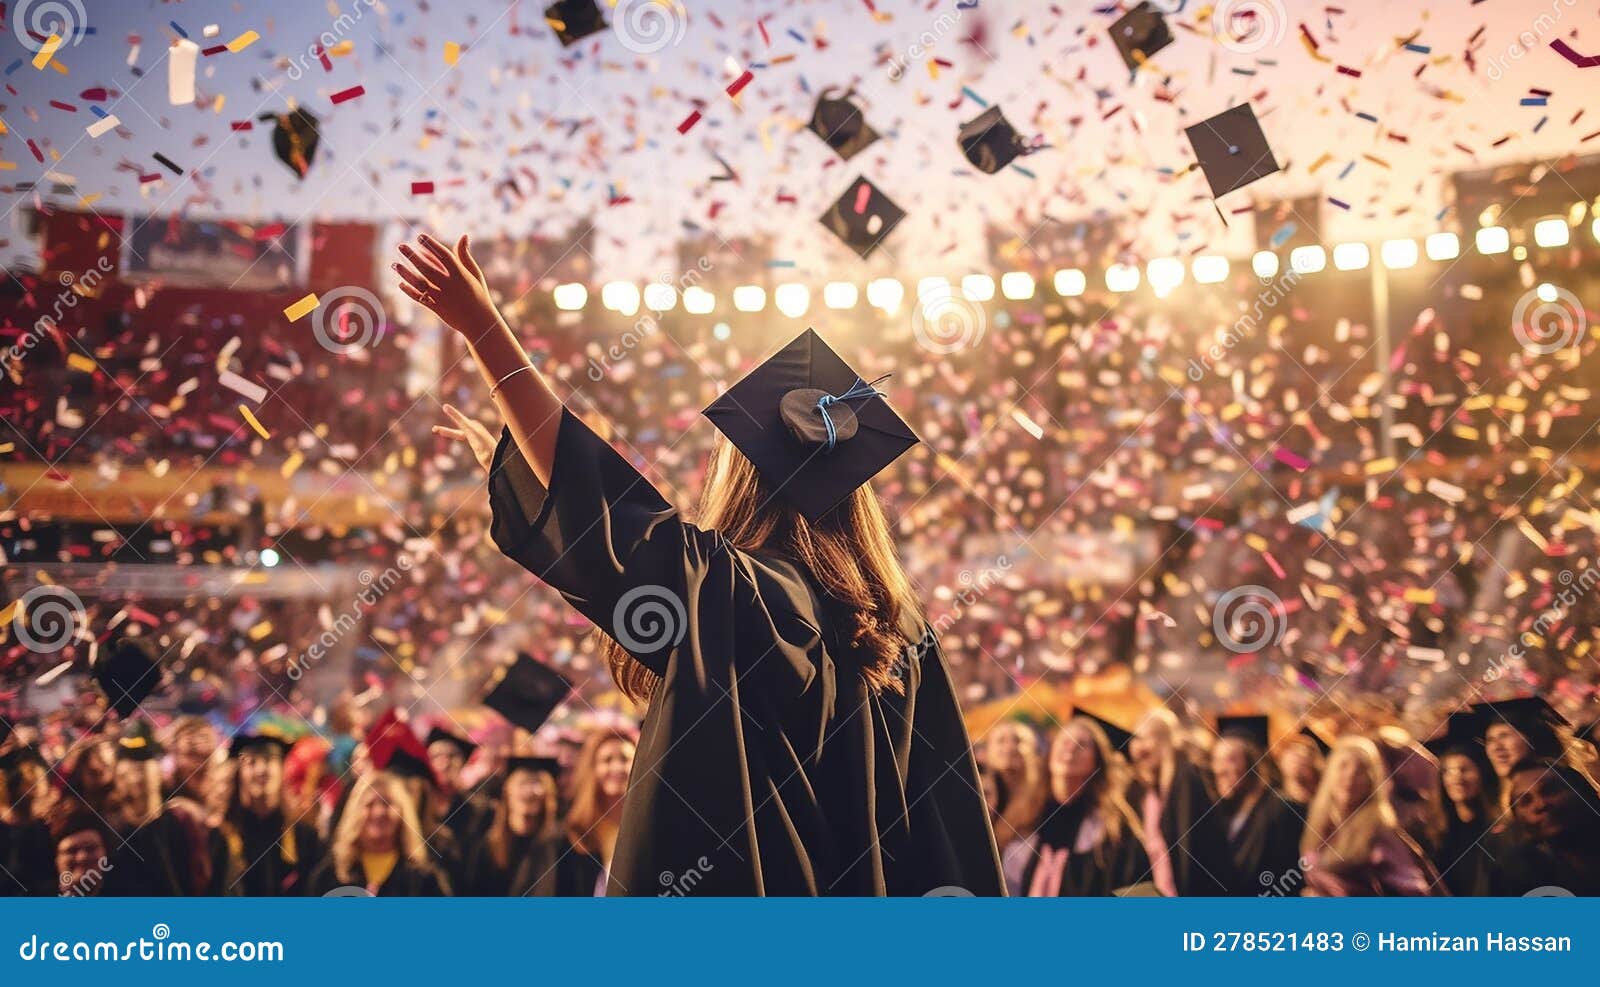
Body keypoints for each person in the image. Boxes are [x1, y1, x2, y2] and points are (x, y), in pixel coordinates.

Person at [398, 233, 1003, 896]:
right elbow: (951, 835)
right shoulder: (898, 628)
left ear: (740, 477)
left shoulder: (743, 592)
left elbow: (608, 514)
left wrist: (485, 329)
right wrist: (518, 465)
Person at [1020, 717, 1148, 896]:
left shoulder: (1113, 830)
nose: (1070, 748)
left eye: (1082, 744)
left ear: (1096, 761)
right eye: (1064, 741)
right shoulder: (1026, 818)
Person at [1299, 737, 1438, 896]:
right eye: (1343, 766)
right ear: (1330, 773)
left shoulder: (1379, 832)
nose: (1350, 775)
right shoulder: (1320, 823)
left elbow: (1414, 893)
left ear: (1372, 781)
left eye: (1361, 770)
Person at [1126, 708, 1232, 895]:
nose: (1138, 748)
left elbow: (1194, 852)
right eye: (1135, 739)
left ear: (1165, 740)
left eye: (1146, 738)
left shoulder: (1186, 779)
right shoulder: (1143, 791)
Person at [526, 729, 635, 897]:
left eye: (625, 759)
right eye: (607, 760)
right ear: (592, 768)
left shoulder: (644, 833)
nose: (617, 767)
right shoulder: (566, 838)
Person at [309, 772, 450, 896]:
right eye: (370, 804)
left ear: (403, 813)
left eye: (387, 804)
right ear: (355, 814)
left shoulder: (425, 880)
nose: (379, 813)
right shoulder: (328, 875)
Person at [1210, 717, 1303, 896]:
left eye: (1230, 760)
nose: (1219, 769)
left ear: (1252, 763)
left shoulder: (1282, 809)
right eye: (1216, 760)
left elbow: (1291, 878)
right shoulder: (1226, 812)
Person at [220, 733, 321, 896]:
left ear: (282, 770)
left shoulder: (305, 837)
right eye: (251, 762)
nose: (261, 770)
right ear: (239, 774)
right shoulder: (222, 835)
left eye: (268, 760)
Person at [1492, 757, 1600, 896]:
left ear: (1581, 792)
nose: (1540, 804)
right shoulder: (1514, 873)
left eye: (1550, 790)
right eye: (1525, 801)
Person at [461, 756, 560, 896]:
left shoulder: (557, 844)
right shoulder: (488, 846)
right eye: (522, 783)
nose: (528, 791)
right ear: (508, 792)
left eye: (536, 783)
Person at [1427, 736, 1500, 897]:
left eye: (1464, 770)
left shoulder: (1497, 830)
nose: (1456, 778)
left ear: (1482, 774)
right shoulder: (1436, 833)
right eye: (1448, 772)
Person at [983, 721, 1047, 895]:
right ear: (987, 752)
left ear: (1033, 751)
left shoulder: (1045, 798)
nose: (1010, 747)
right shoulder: (979, 794)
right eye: (1001, 741)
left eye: (1018, 741)